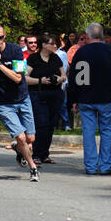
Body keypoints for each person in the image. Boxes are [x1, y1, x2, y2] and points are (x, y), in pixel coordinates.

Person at [0, 22, 40, 181]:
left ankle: (19, 149)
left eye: (1, 37)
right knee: (21, 137)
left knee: (31, 138)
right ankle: (33, 168)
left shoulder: (15, 50)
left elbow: (18, 78)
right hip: (3, 103)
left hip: (22, 97)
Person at [67, 23, 111, 175]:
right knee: (107, 131)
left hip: (86, 98)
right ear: (102, 36)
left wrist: (73, 99)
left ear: (87, 37)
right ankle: (106, 165)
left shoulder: (81, 53)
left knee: (88, 132)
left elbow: (75, 78)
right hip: (107, 98)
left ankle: (91, 166)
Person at [27, 33, 66, 165]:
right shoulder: (34, 59)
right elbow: (25, 78)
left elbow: (64, 76)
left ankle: (45, 154)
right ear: (44, 45)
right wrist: (40, 81)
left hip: (55, 94)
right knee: (41, 124)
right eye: (52, 43)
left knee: (50, 125)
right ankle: (36, 154)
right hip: (38, 94)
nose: (55, 46)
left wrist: (58, 79)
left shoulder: (56, 58)